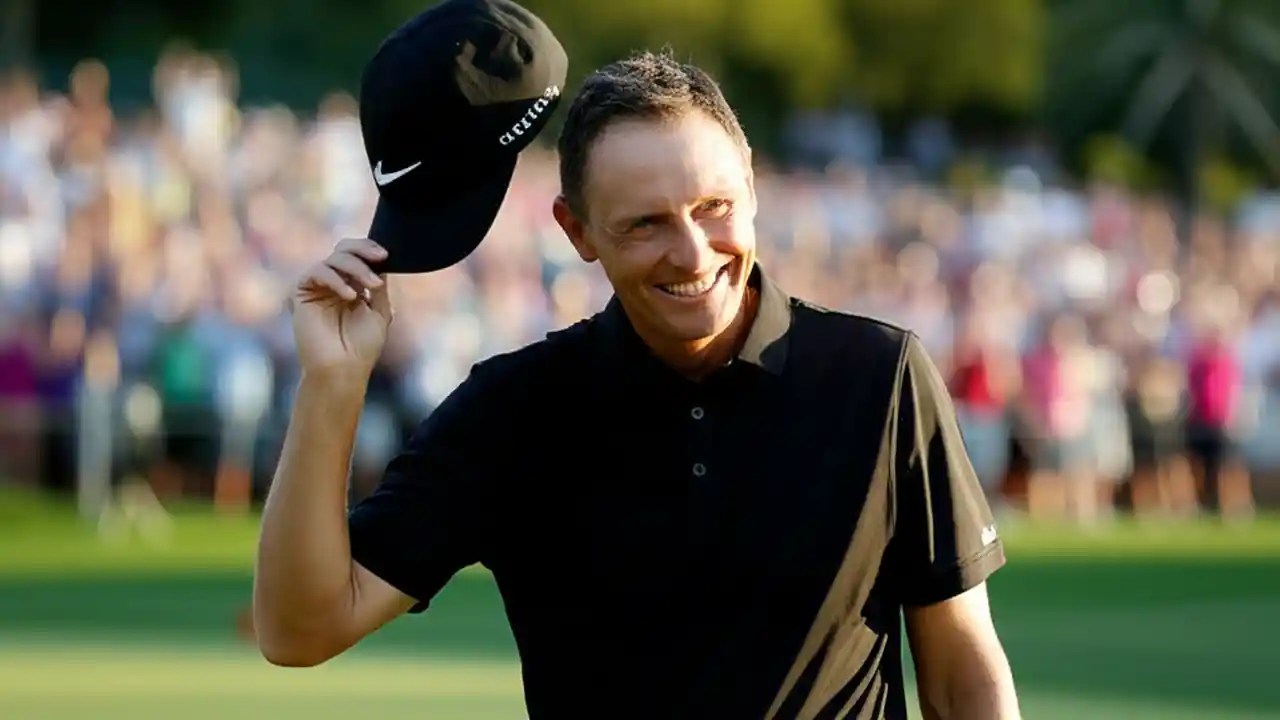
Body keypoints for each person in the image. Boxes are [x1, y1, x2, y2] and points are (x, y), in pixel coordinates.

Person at [252, 44, 1021, 720]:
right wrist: (332, 382)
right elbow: (299, 629)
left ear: (751, 190)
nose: (693, 254)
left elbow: (961, 675)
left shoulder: (879, 377)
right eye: (644, 224)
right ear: (576, 231)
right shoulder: (515, 408)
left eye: (714, 208)